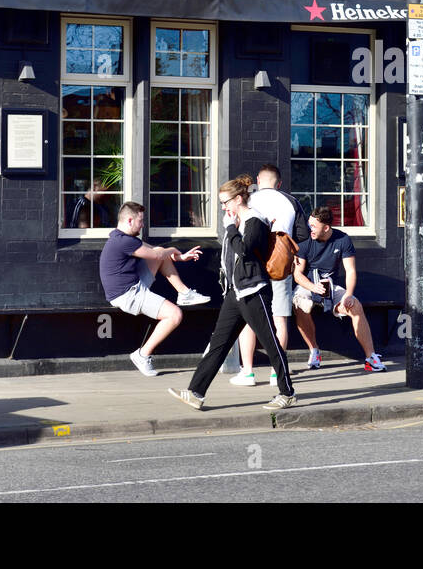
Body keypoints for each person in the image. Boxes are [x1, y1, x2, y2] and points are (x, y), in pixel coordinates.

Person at [168, 176, 297, 410]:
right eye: (221, 203)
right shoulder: (237, 222)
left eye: (225, 202)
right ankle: (196, 392)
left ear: (238, 199)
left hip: (254, 291)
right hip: (235, 293)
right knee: (219, 342)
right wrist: (231, 227)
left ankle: (287, 393)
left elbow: (245, 251)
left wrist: (230, 227)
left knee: (270, 342)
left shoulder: (255, 221)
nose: (223, 207)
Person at [99, 201, 208, 376]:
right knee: (175, 315)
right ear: (129, 220)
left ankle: (184, 293)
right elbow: (159, 254)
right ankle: (142, 355)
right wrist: (173, 249)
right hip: (128, 295)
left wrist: (180, 257)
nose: (143, 225)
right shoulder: (123, 242)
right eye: (140, 221)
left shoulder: (123, 238)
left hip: (133, 285)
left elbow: (157, 252)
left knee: (159, 252)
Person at [232, 164, 307, 385]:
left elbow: (236, 229)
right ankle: (277, 373)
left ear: (258, 179)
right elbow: (301, 235)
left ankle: (248, 372)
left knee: (249, 319)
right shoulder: (290, 201)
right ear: (279, 183)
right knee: (280, 319)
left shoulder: (248, 200)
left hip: (251, 266)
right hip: (280, 266)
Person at [292, 206, 386, 372]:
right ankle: (314, 350)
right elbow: (298, 274)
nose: (310, 229)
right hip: (308, 284)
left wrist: (349, 295)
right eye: (309, 224)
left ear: (326, 227)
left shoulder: (342, 239)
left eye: (314, 226)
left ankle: (371, 357)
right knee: (300, 305)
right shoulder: (305, 241)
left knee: (355, 306)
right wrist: (313, 287)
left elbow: (350, 271)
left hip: (331, 286)